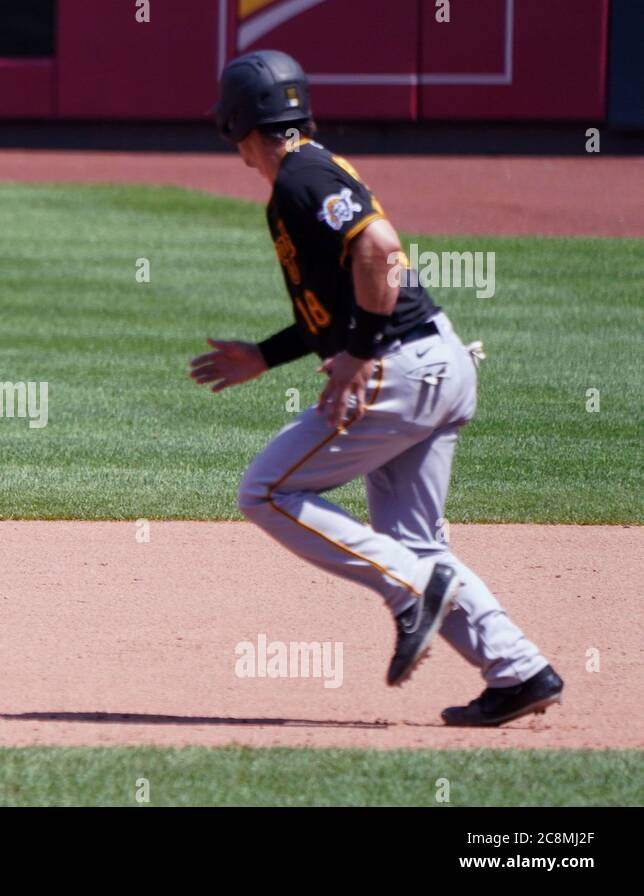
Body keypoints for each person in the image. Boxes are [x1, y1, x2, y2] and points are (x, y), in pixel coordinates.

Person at [191, 51, 561, 726]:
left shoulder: (300, 178)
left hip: (401, 369)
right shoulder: (314, 168)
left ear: (236, 125)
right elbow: (346, 291)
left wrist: (359, 355)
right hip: (436, 366)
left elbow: (382, 253)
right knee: (414, 544)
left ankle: (413, 590)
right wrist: (266, 355)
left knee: (268, 491)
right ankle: (518, 670)